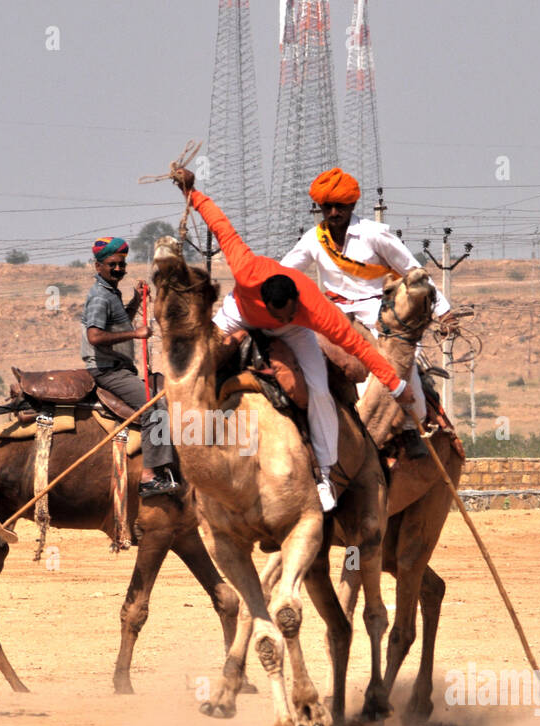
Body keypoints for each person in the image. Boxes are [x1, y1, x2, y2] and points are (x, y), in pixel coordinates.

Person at [170, 167, 413, 512]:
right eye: (277, 313)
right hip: (239, 313)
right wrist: (191, 193)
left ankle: (325, 475)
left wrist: (397, 386)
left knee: (318, 390)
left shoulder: (312, 309)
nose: (279, 317)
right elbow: (220, 225)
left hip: (297, 333)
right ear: (264, 298)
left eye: (287, 311)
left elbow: (359, 348)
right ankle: (170, 454)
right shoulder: (245, 269)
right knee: (195, 363)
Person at [281, 167, 452, 459]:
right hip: (333, 312)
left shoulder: (375, 234)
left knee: (401, 363)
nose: (334, 212)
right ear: (320, 207)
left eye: (340, 206)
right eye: (327, 207)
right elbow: (283, 272)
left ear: (352, 205)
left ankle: (414, 428)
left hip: (378, 311)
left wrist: (442, 310)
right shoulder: (313, 239)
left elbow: (413, 271)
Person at [80, 236, 179, 496]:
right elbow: (95, 336)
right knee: (153, 408)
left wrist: (136, 300)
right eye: (112, 264)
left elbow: (118, 322)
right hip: (107, 370)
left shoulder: (111, 292)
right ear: (98, 266)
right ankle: (149, 475)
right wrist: (136, 335)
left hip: (118, 367)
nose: (117, 269)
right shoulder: (100, 297)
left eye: (121, 265)